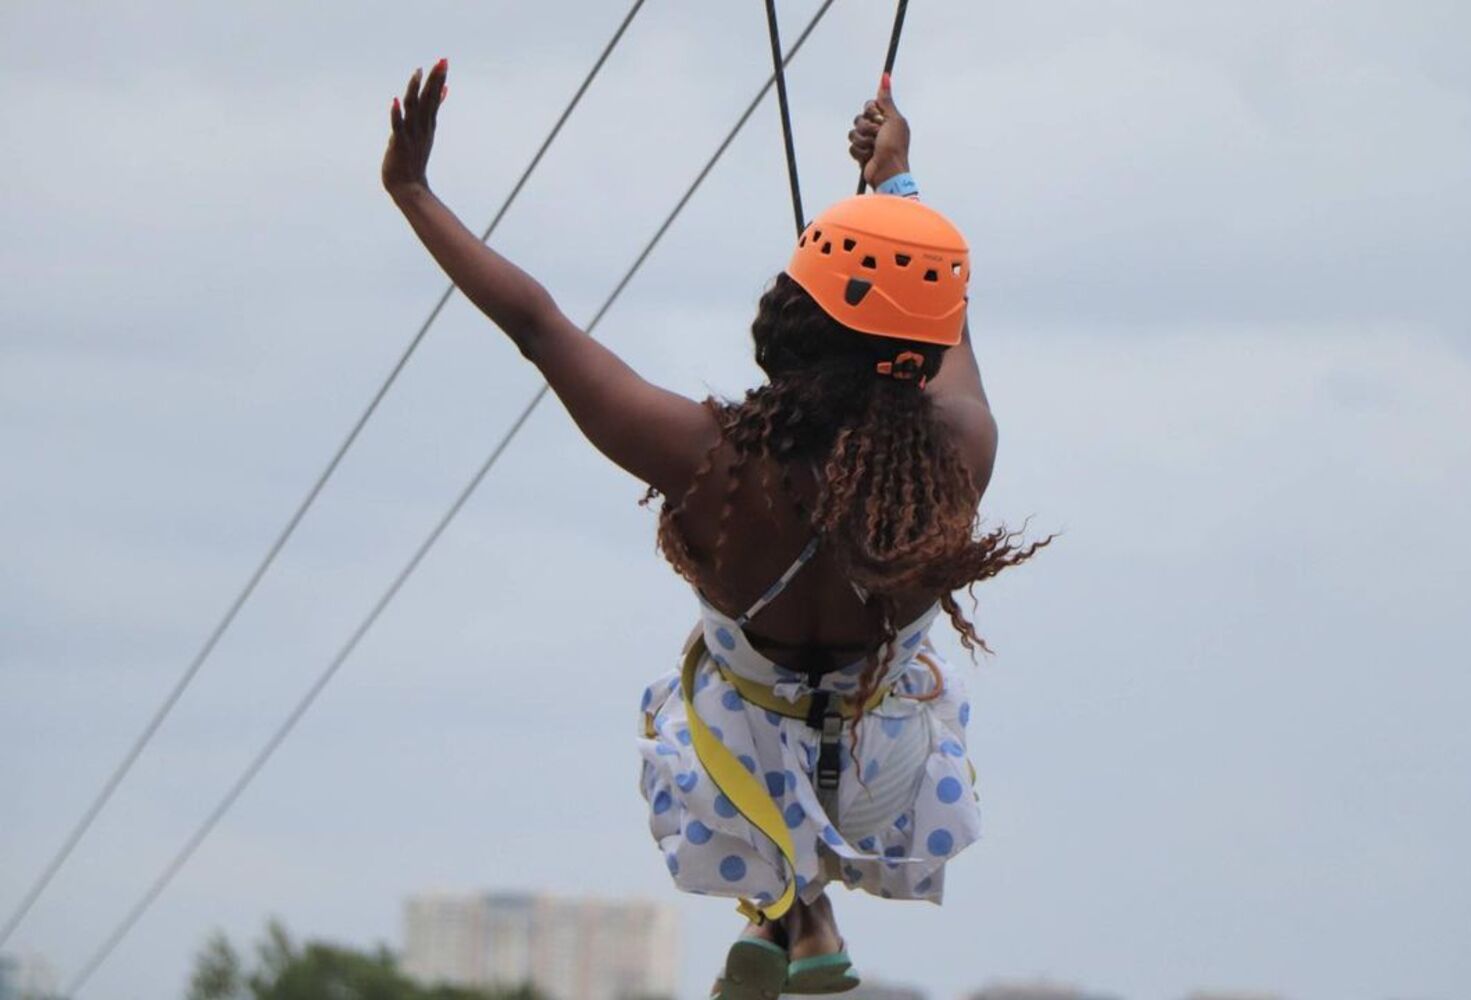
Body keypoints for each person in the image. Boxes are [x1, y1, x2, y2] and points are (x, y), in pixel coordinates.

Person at [384, 60, 1044, 1000]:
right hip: (887, 784)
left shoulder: (710, 455)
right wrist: (896, 181)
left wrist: (413, 192)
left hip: (729, 784)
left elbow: (537, 325)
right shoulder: (958, 453)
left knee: (715, 694)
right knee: (876, 692)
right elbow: (946, 324)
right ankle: (801, 912)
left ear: (790, 319)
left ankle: (787, 908)